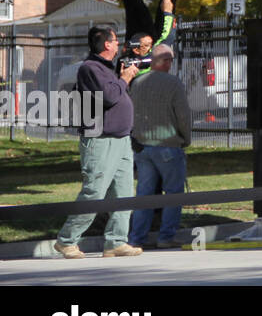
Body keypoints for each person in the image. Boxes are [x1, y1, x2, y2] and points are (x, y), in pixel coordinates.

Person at [53, 26, 142, 259]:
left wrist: (122, 79)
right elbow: (110, 97)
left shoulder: (105, 69)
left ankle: (116, 242)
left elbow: (114, 94)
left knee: (124, 193)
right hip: (101, 140)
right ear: (106, 45)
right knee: (94, 192)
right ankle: (66, 240)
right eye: (115, 41)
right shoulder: (90, 69)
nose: (118, 44)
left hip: (120, 139)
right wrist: (124, 79)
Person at [127, 44, 192, 249]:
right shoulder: (174, 83)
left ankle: (137, 237)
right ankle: (166, 236)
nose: (171, 64)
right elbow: (183, 115)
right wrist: (186, 138)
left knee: (144, 194)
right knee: (173, 193)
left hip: (142, 147)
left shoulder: (137, 82)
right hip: (168, 145)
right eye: (170, 60)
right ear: (165, 61)